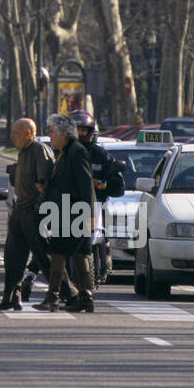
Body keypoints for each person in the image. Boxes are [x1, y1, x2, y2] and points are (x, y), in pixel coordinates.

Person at [0, 118, 54, 312]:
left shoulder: (39, 150)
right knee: (13, 256)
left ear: (28, 133)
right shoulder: (24, 152)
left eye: (15, 133)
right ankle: (11, 297)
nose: (11, 137)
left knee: (44, 257)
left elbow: (45, 182)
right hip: (20, 209)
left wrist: (39, 208)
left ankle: (68, 293)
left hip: (33, 211)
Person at [35, 113, 96, 312]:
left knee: (59, 252)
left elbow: (86, 186)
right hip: (63, 211)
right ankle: (85, 298)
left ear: (63, 133)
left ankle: (53, 298)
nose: (49, 135)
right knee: (78, 254)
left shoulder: (76, 152)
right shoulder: (62, 153)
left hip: (73, 212)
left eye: (52, 131)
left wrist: (89, 215)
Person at [71, 109, 123, 286]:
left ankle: (105, 253)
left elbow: (117, 185)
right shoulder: (62, 153)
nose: (80, 134)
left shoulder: (101, 154)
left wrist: (102, 185)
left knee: (100, 235)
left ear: (91, 132)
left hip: (96, 205)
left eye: (83, 130)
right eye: (76, 130)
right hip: (67, 206)